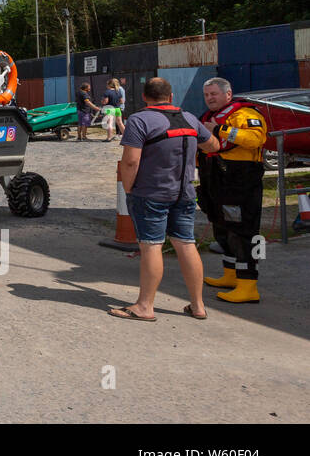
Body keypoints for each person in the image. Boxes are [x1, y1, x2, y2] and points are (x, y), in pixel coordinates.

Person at [109, 77, 222, 321]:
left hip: (151, 193)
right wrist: (209, 132)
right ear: (171, 97)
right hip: (184, 193)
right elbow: (213, 146)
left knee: (151, 246)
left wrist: (129, 190)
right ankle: (198, 305)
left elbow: (130, 161)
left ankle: (145, 306)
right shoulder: (190, 118)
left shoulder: (140, 120)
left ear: (145, 98)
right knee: (186, 243)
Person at [196, 77, 268, 303]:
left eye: (214, 94)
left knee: (244, 230)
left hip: (242, 180)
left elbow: (256, 139)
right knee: (222, 226)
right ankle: (230, 275)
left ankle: (249, 284)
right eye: (207, 95)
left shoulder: (247, 115)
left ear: (228, 94)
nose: (209, 99)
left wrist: (221, 130)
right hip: (216, 178)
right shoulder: (206, 116)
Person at [101, 78, 124, 142]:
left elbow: (105, 102)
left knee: (110, 123)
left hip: (109, 108)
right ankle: (126, 137)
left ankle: (109, 138)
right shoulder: (118, 91)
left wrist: (102, 102)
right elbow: (122, 102)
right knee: (120, 123)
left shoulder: (107, 92)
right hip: (117, 109)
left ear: (109, 84)